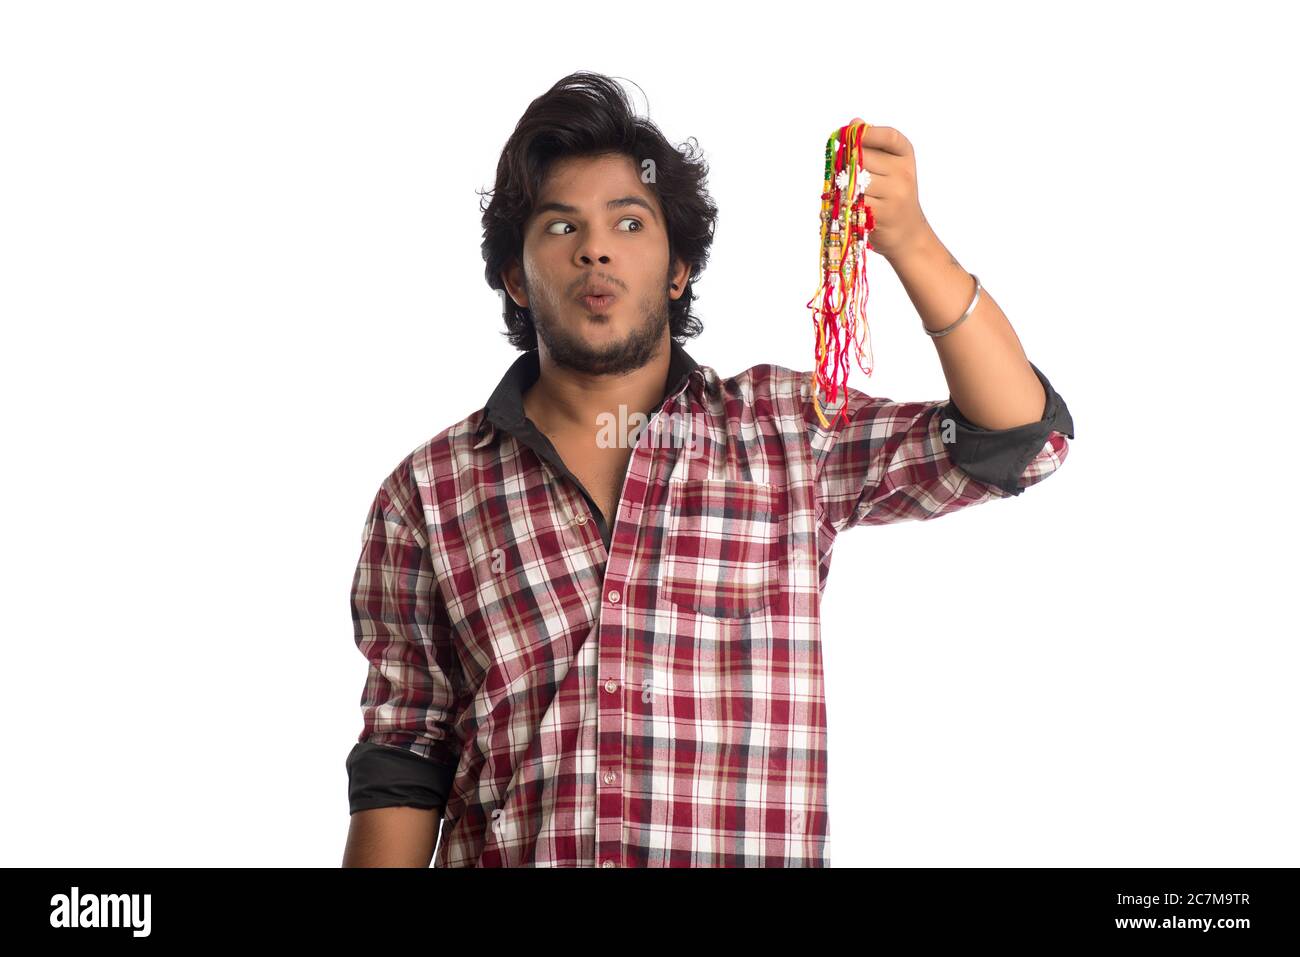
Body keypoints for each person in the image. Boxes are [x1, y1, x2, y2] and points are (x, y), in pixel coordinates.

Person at [341, 72, 1074, 867]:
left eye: (630, 221)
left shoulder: (787, 434)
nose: (595, 247)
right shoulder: (428, 492)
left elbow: (1020, 436)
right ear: (517, 276)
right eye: (561, 227)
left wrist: (912, 243)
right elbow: (406, 758)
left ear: (677, 268)